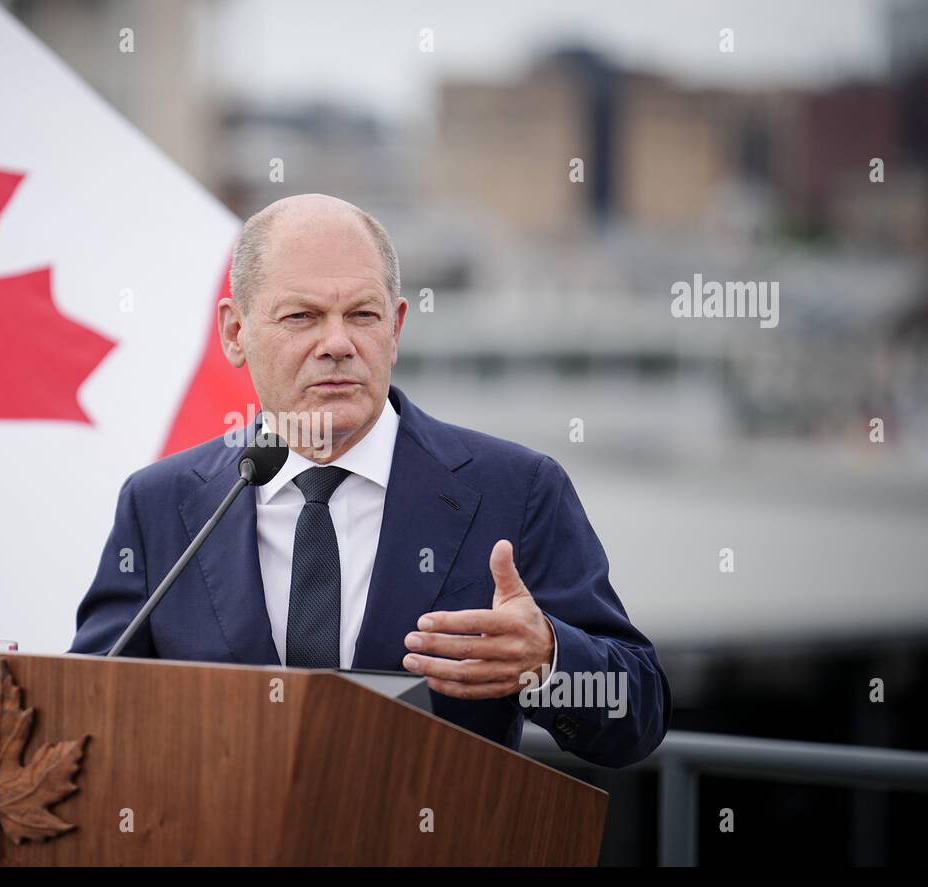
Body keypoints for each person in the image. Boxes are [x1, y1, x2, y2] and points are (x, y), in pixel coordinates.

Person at [72, 193, 670, 768]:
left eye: (362, 315)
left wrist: (549, 659)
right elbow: (85, 714)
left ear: (397, 327)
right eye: (302, 317)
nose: (337, 344)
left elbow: (638, 714)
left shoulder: (517, 489)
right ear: (235, 333)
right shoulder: (159, 506)